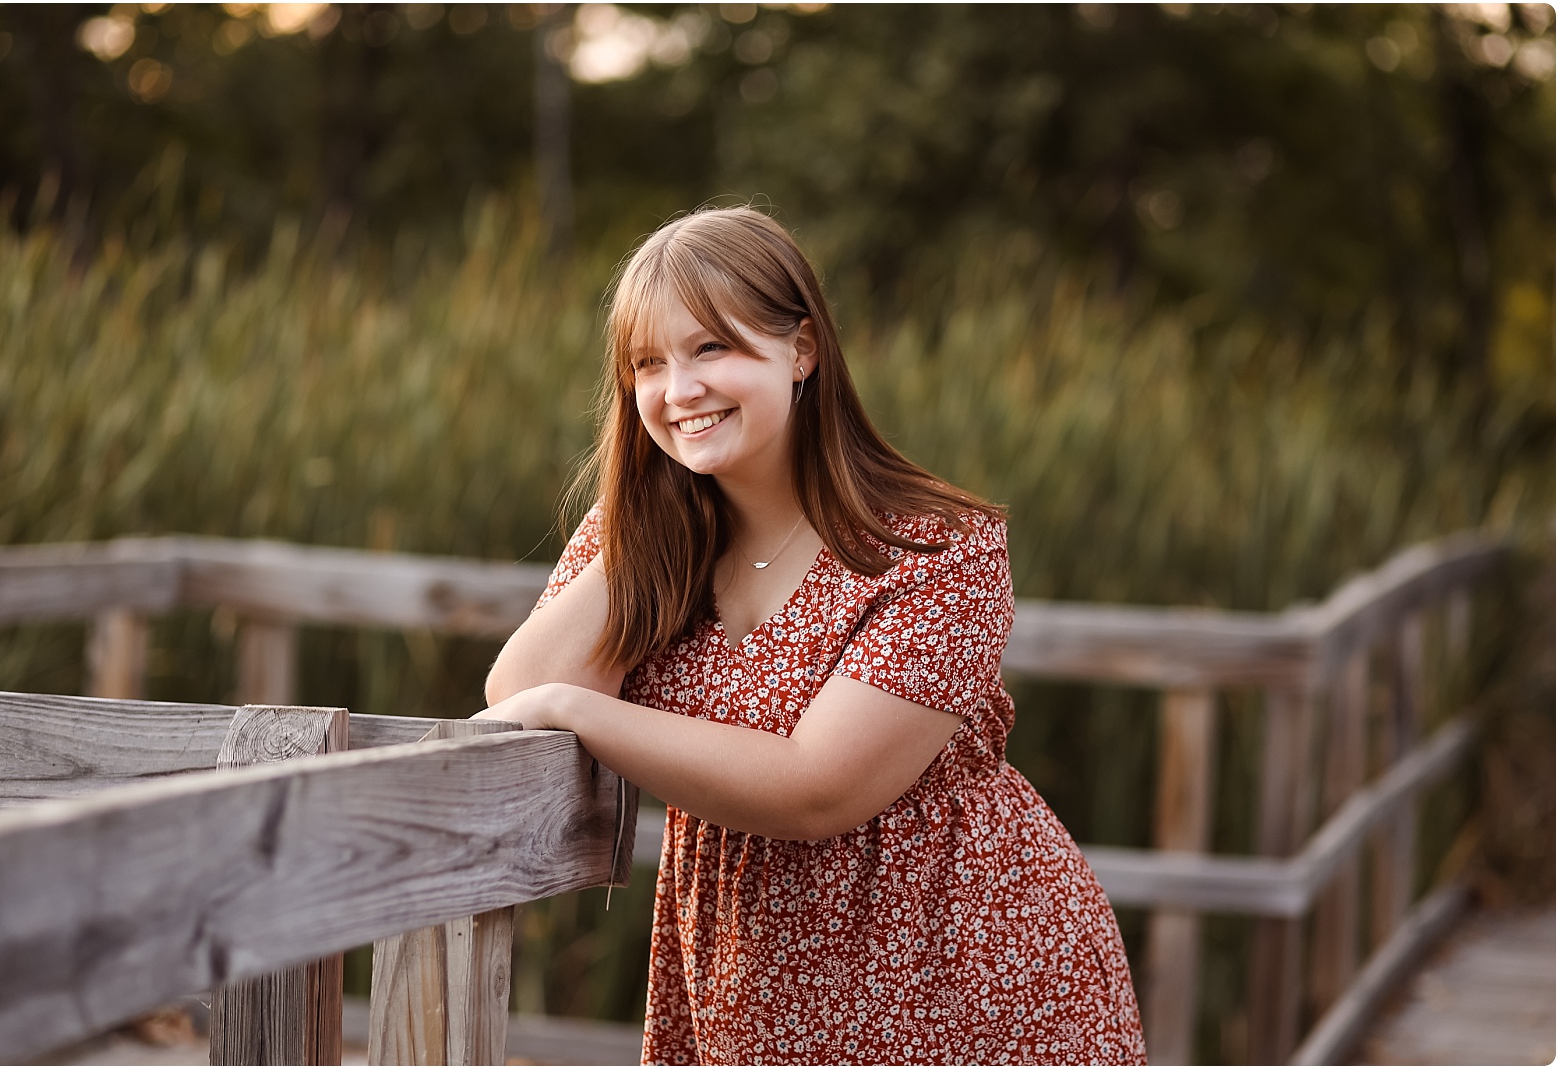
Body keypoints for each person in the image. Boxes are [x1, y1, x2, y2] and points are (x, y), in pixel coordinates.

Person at [476, 206, 1145, 1065]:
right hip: (745, 984)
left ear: (801, 350)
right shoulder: (641, 535)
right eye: (649, 363)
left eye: (712, 348)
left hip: (960, 975)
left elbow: (817, 789)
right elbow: (517, 685)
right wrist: (658, 514)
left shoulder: (935, 548)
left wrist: (576, 708)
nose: (678, 390)